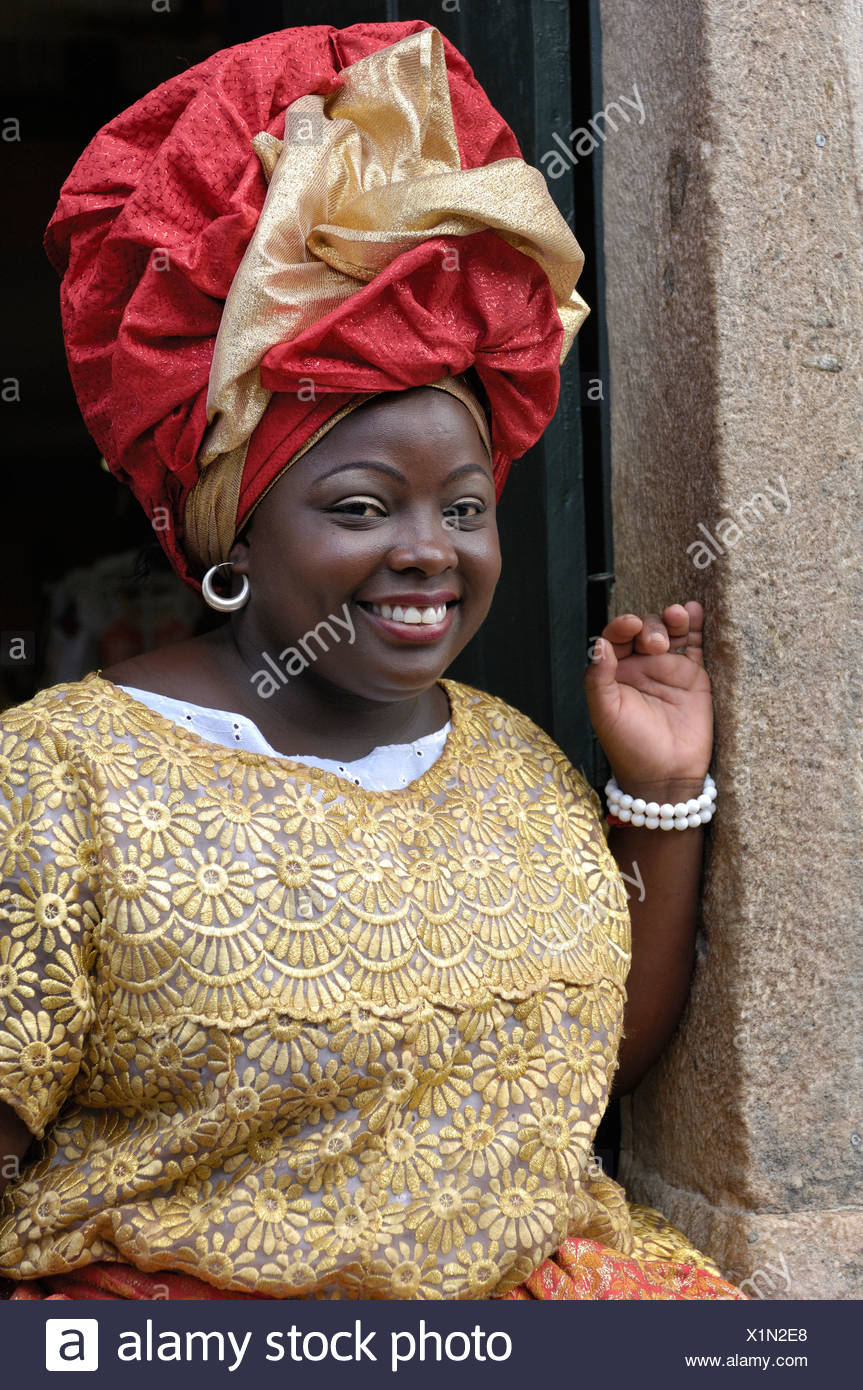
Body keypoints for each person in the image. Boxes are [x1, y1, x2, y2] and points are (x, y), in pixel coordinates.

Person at [0, 20, 742, 1301]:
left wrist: (661, 800)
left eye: (464, 507)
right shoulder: (61, 776)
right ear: (235, 529)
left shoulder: (508, 754)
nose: (430, 552)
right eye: (357, 507)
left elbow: (583, 1065)